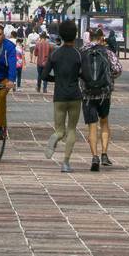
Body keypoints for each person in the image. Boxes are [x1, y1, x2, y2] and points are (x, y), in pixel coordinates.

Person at [43, 20, 83, 172]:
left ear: (60, 35)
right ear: (75, 35)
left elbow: (44, 75)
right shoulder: (78, 54)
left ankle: (56, 136)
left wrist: (56, 79)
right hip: (74, 96)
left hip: (59, 96)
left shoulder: (55, 54)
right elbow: (84, 74)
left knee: (60, 130)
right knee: (72, 129)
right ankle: (66, 163)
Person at [80, 27, 121, 170]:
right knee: (104, 122)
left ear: (89, 37)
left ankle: (94, 157)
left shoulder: (82, 52)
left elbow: (77, 71)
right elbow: (117, 69)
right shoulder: (107, 52)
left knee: (92, 125)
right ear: (102, 37)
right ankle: (104, 154)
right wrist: (108, 79)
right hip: (104, 94)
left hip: (87, 94)